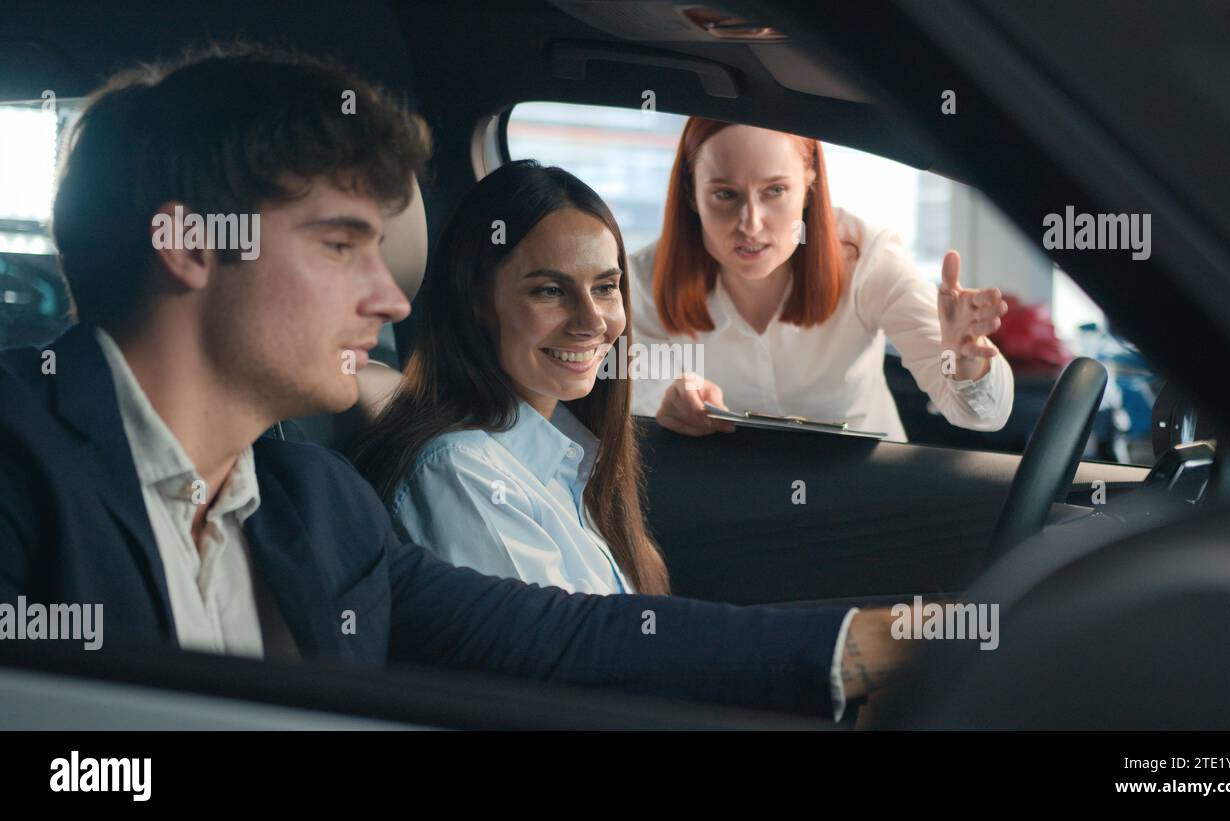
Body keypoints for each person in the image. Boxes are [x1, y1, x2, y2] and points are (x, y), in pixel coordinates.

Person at [0, 43, 907, 721]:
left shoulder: (314, 507)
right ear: (191, 243)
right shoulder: (20, 470)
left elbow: (560, 638)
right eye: (342, 243)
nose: (390, 297)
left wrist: (868, 643)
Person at [351, 161, 664, 596]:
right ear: (476, 301)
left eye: (606, 288)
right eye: (550, 291)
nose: (592, 322)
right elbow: (559, 659)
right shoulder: (460, 473)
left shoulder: (566, 450)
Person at [628, 117, 1015, 440]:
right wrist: (672, 402)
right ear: (692, 196)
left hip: (863, 496)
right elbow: (629, 409)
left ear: (809, 186)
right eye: (725, 195)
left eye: (775, 191)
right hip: (728, 497)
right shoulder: (645, 277)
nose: (750, 224)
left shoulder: (868, 258)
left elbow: (980, 416)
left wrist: (961, 360)